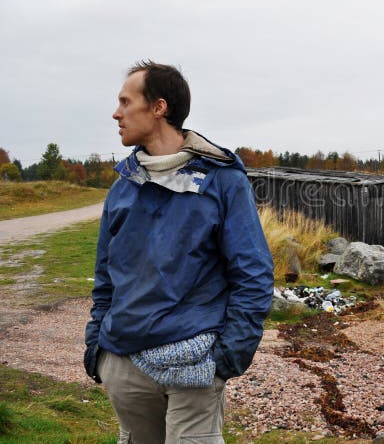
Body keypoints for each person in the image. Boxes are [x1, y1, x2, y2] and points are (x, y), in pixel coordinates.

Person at [84, 60, 273, 443]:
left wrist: (227, 357)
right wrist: (97, 348)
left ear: (159, 107)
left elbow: (253, 275)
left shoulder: (222, 181)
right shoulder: (123, 186)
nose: (116, 113)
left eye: (126, 102)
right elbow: (105, 278)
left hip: (196, 363)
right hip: (123, 362)